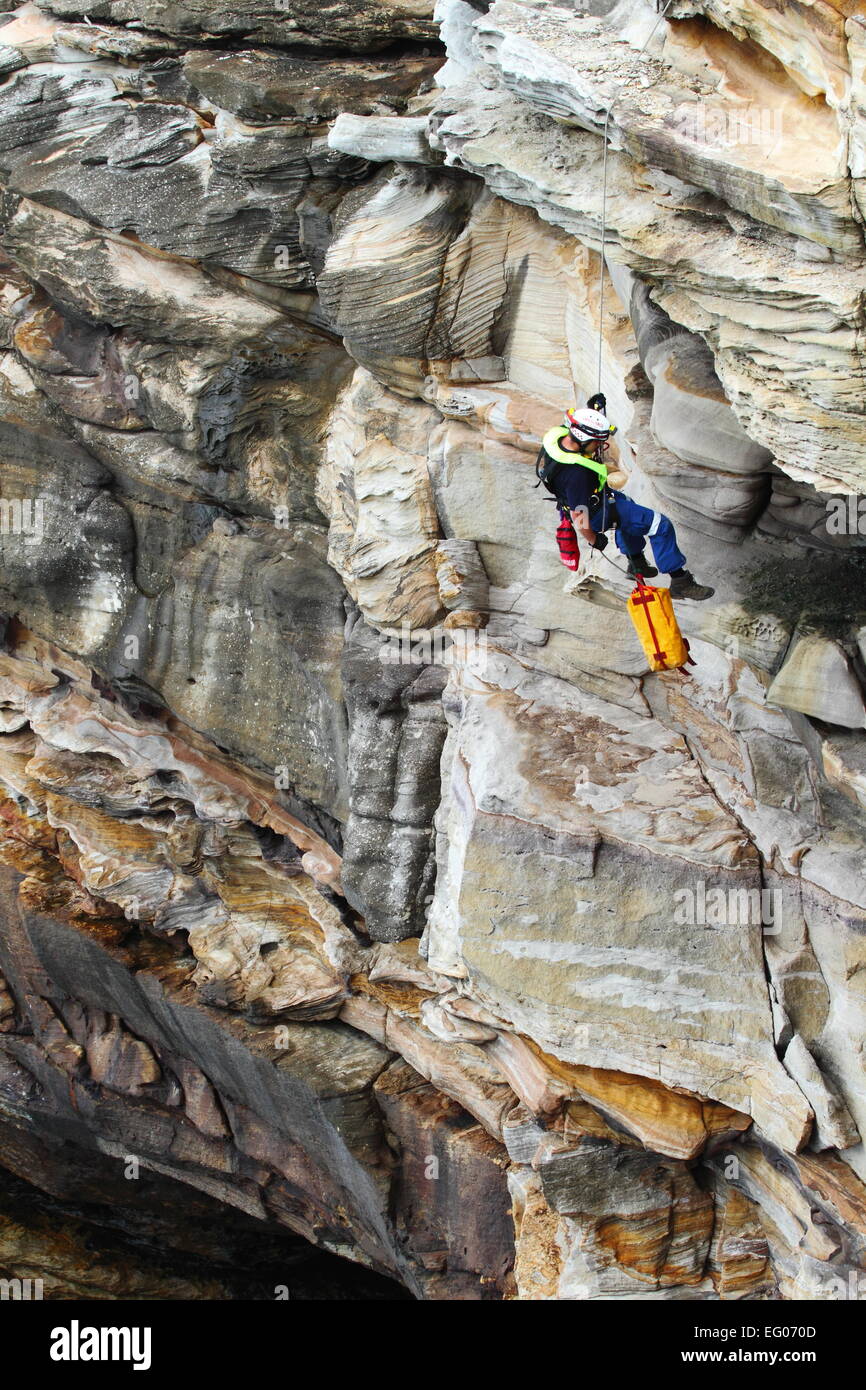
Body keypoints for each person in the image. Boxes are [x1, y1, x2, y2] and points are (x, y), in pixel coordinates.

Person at [537, 397, 714, 601]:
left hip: (594, 499)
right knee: (660, 525)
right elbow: (579, 515)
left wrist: (593, 411)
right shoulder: (577, 474)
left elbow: (582, 426)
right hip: (596, 512)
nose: (600, 446)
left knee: (627, 506)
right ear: (583, 439)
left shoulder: (557, 441)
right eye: (597, 442)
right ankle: (680, 581)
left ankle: (636, 561)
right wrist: (594, 539)